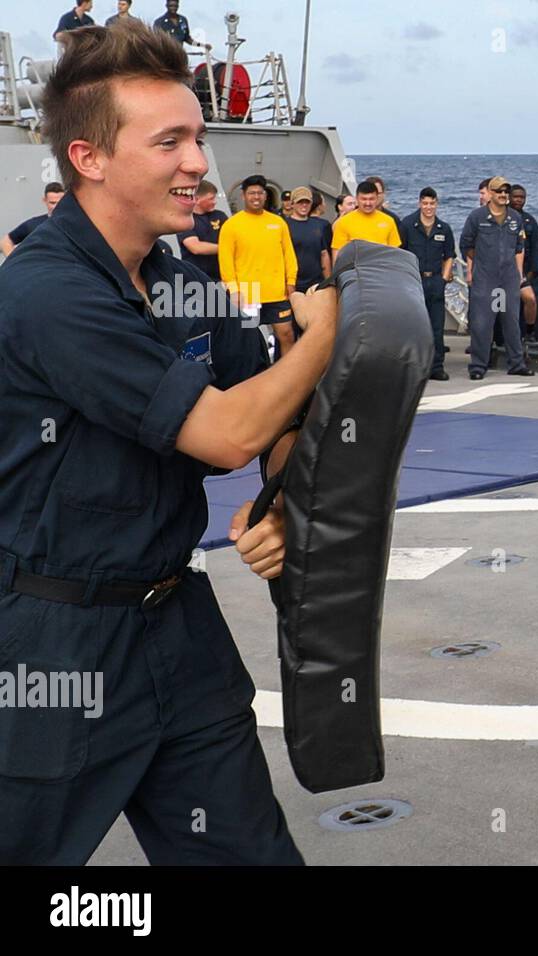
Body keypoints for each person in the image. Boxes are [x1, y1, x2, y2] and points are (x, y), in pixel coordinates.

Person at [0, 19, 330, 866]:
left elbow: (273, 420)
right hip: (49, 643)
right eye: (172, 141)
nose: (199, 163)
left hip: (177, 624)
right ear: (90, 159)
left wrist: (285, 499)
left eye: (199, 137)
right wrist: (331, 335)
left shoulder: (184, 285)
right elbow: (224, 434)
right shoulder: (46, 294)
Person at [459, 176, 534, 381]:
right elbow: (466, 244)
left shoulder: (515, 218)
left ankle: (516, 363)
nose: (503, 195)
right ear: (490, 194)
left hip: (507, 278)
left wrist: (518, 275)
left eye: (505, 192)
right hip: (485, 278)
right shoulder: (477, 217)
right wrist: (480, 264)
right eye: (499, 191)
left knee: (510, 319)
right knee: (483, 322)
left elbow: (519, 247)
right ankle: (478, 365)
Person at [219, 174, 298, 359]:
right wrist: (234, 290)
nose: (256, 197)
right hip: (248, 292)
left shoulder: (278, 222)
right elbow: (226, 260)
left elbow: (289, 254)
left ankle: (287, 376)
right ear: (243, 195)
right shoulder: (232, 225)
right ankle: (251, 376)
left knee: (286, 334)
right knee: (248, 340)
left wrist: (291, 281)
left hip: (277, 291)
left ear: (265, 195)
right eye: (252, 193)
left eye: (260, 193)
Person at [401, 186, 456, 380]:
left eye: (432, 203)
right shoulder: (407, 225)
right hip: (414, 282)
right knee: (413, 326)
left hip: (435, 281)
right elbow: (401, 254)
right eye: (425, 203)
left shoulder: (444, 228)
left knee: (436, 327)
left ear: (437, 204)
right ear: (419, 203)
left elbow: (450, 255)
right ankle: (413, 367)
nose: (428, 207)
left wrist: (443, 278)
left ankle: (436, 367)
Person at [510, 184, 538, 341]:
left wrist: (532, 272)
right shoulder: (504, 218)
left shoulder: (529, 220)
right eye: (516, 196)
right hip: (504, 272)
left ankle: (529, 333)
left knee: (531, 300)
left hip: (525, 273)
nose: (519, 200)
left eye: (522, 197)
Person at [331, 180, 402, 259]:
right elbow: (337, 253)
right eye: (364, 199)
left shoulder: (388, 221)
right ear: (357, 199)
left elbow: (395, 252)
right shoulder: (344, 222)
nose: (368, 203)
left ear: (377, 198)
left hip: (382, 268)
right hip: (355, 269)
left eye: (371, 199)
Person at [285, 186, 332, 295]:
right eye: (300, 202)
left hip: (316, 283)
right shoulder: (285, 225)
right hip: (294, 283)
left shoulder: (318, 225)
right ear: (292, 204)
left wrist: (328, 282)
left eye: (307, 202)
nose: (304, 205)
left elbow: (324, 254)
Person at [175, 179, 225, 280]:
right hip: (195, 279)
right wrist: (227, 249)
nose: (214, 202)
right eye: (210, 199)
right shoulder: (185, 219)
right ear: (197, 200)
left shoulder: (220, 216)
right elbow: (196, 247)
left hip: (222, 277)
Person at [1, 183, 66, 257]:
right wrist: (17, 263)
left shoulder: (74, 222)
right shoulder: (33, 224)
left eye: (60, 202)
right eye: (52, 203)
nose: (56, 207)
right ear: (44, 200)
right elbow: (5, 242)